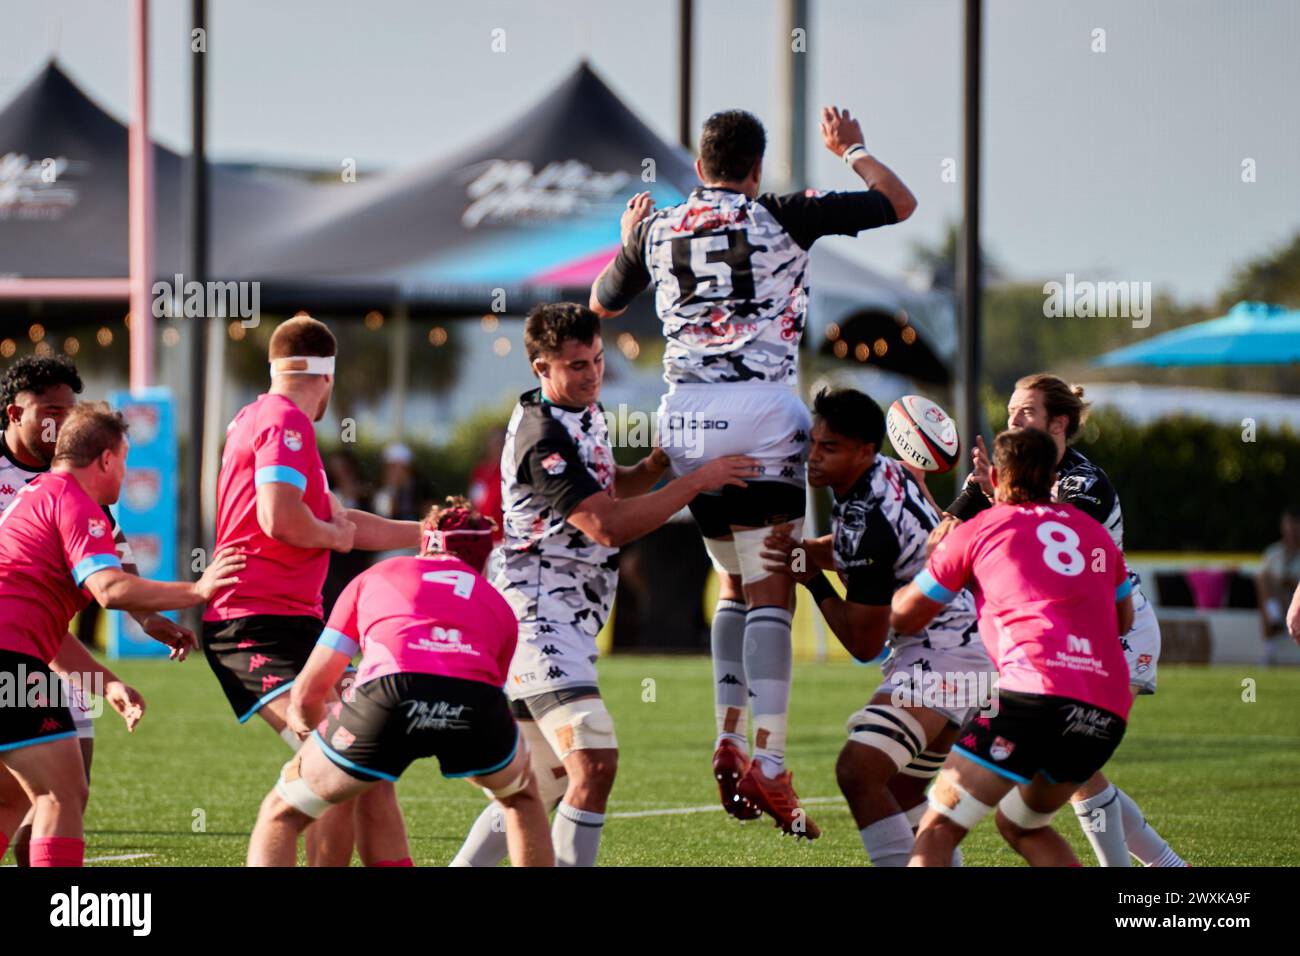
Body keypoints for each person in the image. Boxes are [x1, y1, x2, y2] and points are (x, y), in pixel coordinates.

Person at [589, 106, 915, 834]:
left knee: (733, 581)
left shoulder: (659, 224)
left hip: (685, 419)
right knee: (772, 581)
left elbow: (601, 303)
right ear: (756, 167)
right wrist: (851, 148)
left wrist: (627, 243)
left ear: (699, 166)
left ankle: (729, 736)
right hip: (762, 411)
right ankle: (767, 755)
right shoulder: (783, 214)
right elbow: (900, 202)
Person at [451, 302, 757, 866]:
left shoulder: (577, 411)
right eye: (576, 365)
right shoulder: (542, 435)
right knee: (593, 761)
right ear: (541, 368)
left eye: (596, 359)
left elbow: (608, 484)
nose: (592, 373)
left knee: (539, 782)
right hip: (536, 619)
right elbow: (606, 524)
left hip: (562, 620)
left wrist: (662, 463)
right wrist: (700, 482)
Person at [202, 316, 422, 866]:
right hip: (251, 622)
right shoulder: (286, 422)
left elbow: (341, 519)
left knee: (366, 768)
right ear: (326, 375)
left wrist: (430, 534)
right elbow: (280, 518)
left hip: (297, 624)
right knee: (339, 764)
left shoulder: (262, 416)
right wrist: (333, 537)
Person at [944, 374, 1186, 867]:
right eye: (1011, 411)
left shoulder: (1081, 482)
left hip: (1117, 627)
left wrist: (995, 498)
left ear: (1059, 423)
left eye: (1025, 412)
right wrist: (971, 495)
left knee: (1075, 771)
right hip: (1067, 638)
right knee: (1073, 772)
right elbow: (941, 540)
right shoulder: (1004, 480)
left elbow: (1045, 539)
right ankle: (1169, 868)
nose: (1012, 420)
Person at [247, 497, 553, 867]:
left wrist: (317, 733)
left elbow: (310, 690)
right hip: (474, 702)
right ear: (485, 558)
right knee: (521, 800)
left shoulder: (376, 575)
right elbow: (482, 693)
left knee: (281, 813)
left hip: (388, 695)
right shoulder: (499, 604)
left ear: (425, 543)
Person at [0, 402, 241, 867]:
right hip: (9, 667)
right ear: (106, 459)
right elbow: (108, 589)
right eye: (125, 461)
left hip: (12, 659)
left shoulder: (35, 495)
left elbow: (37, 630)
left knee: (11, 798)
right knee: (60, 794)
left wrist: (106, 682)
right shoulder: (75, 501)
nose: (126, 475)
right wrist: (198, 588)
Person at [763, 388, 991, 862]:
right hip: (964, 652)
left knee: (858, 770)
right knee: (905, 797)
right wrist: (806, 550)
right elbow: (851, 546)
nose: (815, 457)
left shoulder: (871, 519)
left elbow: (864, 643)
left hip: (941, 658)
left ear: (865, 450)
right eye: (814, 443)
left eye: (831, 448)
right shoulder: (882, 474)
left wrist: (812, 581)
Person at [892, 428, 1134, 867]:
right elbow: (1125, 619)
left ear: (997, 476)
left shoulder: (980, 527)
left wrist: (924, 567)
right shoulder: (1094, 534)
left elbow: (906, 615)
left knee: (938, 827)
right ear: (1052, 476)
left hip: (1032, 694)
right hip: (1106, 708)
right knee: (1023, 825)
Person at [1257, 506, 1300, 664]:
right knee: (1264, 578)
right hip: (1275, 599)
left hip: (1295, 602)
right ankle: (1274, 617)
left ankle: (1274, 618)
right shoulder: (1273, 553)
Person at [467, 426, 506, 543]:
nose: (495, 447)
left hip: (504, 535)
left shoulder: (508, 470)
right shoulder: (480, 470)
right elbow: (473, 500)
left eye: (499, 442)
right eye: (492, 443)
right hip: (482, 534)